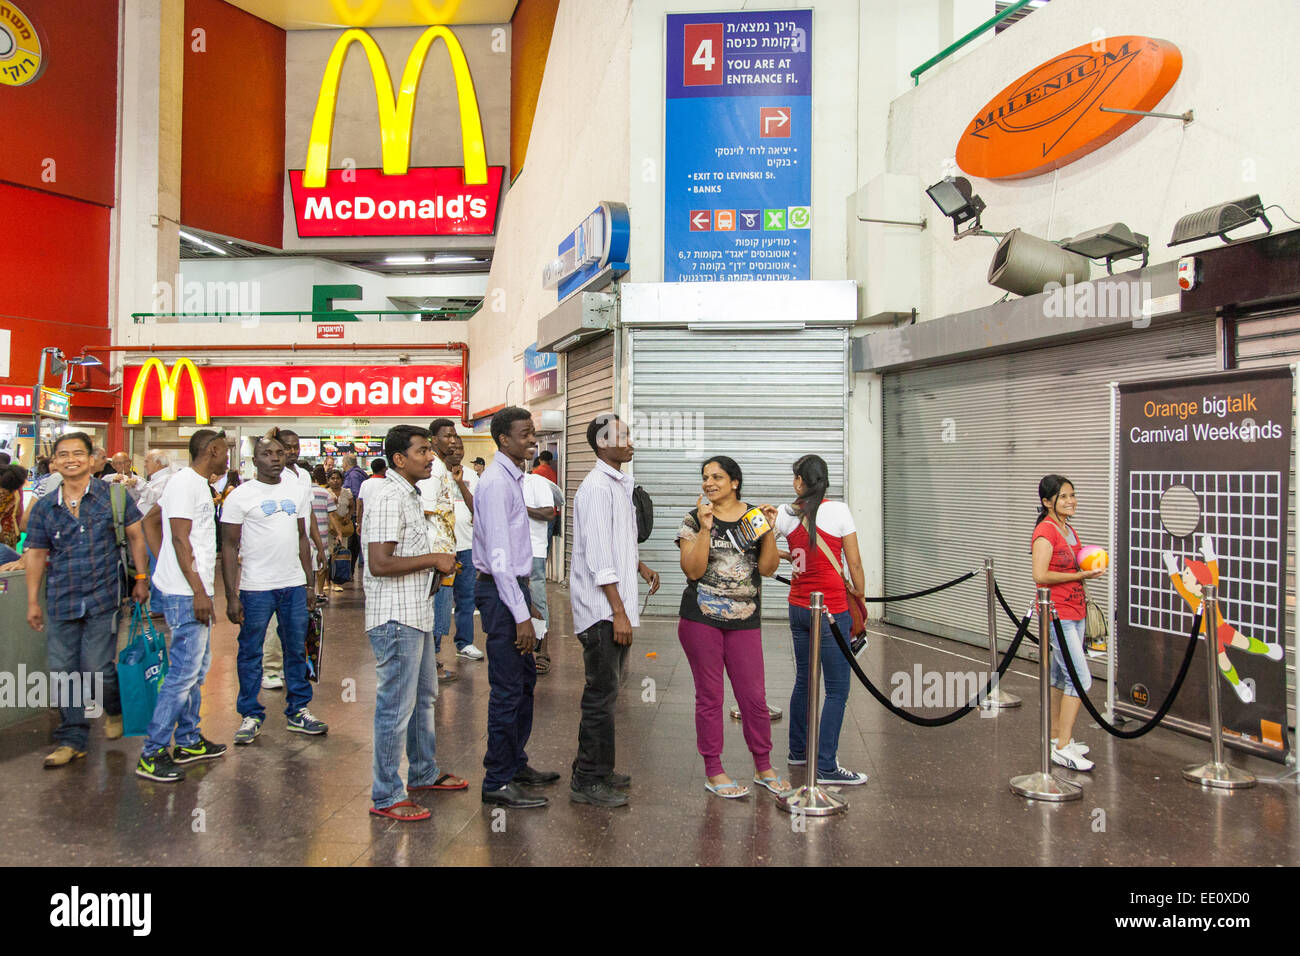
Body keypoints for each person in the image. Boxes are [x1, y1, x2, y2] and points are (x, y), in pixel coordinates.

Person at [23, 432, 151, 768]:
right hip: (61, 599)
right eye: (63, 454)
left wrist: (141, 578)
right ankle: (72, 737)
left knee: (97, 667)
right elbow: (35, 554)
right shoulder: (44, 508)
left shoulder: (114, 496)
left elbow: (137, 537)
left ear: (92, 459)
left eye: (77, 453)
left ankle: (114, 706)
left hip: (103, 596)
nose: (70, 459)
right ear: (54, 463)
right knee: (63, 670)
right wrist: (32, 601)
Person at [363, 425, 467, 821]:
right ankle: (387, 794)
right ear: (399, 459)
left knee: (424, 699)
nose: (431, 457)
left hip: (416, 614)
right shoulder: (389, 497)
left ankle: (422, 772)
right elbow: (379, 563)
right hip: (396, 618)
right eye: (423, 451)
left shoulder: (410, 493)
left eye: (430, 450)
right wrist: (434, 560)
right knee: (395, 707)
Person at [676, 456, 788, 799]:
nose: (709, 483)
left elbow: (768, 568)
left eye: (717, 477)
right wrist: (708, 528)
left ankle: (763, 766)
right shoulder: (695, 518)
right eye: (705, 477)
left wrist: (768, 531)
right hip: (701, 619)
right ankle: (714, 770)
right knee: (710, 696)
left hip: (744, 621)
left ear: (734, 482)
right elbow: (692, 571)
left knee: (754, 697)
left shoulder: (754, 518)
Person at [568, 414, 660, 807]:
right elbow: (599, 556)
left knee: (608, 694)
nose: (629, 441)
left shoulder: (618, 485)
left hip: (612, 606)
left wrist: (638, 565)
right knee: (600, 697)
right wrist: (619, 612)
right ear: (603, 443)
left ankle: (599, 770)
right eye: (621, 436)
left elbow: (617, 541)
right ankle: (586, 780)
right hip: (602, 611)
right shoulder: (596, 489)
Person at [763, 454, 868, 786]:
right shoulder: (839, 511)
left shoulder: (784, 514)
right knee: (837, 689)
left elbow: (767, 554)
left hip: (798, 607)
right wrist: (859, 595)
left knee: (805, 681)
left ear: (798, 481)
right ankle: (825, 765)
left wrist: (775, 539)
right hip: (832, 611)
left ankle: (798, 751)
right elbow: (855, 565)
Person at [474, 406, 558, 809]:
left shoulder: (514, 478)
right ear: (504, 439)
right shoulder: (495, 484)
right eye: (525, 434)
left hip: (513, 590)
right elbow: (499, 555)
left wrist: (527, 603)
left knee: (525, 683)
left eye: (532, 433)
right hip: (500, 592)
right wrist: (520, 613)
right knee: (507, 689)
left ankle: (515, 762)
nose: (532, 440)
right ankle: (497, 779)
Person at [135, 429, 230, 782]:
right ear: (213, 449)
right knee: (182, 674)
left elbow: (150, 520)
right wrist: (197, 591)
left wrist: (167, 566)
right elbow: (178, 536)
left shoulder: (194, 484)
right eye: (225, 451)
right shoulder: (185, 484)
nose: (227, 458)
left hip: (191, 588)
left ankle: (188, 739)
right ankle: (152, 752)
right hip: (186, 595)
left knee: (196, 669)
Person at [221, 436, 328, 746]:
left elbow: (301, 538)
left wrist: (309, 582)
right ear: (255, 461)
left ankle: (298, 710)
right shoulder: (240, 496)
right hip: (256, 587)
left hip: (293, 584)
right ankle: (250, 714)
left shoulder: (296, 490)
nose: (275, 458)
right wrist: (231, 594)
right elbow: (228, 546)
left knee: (296, 648)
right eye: (267, 454)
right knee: (250, 650)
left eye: (279, 453)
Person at [1031, 474, 1104, 772]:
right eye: (1063, 496)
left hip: (1076, 610)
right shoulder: (1045, 532)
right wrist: (1080, 576)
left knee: (1062, 677)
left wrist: (1087, 569)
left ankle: (1056, 739)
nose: (1070, 501)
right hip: (1057, 614)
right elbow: (1040, 576)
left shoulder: (1068, 529)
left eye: (1072, 495)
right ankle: (1063, 748)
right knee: (1080, 678)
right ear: (1047, 502)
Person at [417, 418, 463, 681]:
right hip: (436, 558)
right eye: (447, 436)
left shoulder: (444, 470)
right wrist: (434, 557)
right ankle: (430, 665)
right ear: (433, 439)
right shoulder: (433, 471)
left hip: (445, 555)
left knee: (442, 612)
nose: (453, 440)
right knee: (436, 612)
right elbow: (425, 513)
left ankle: (431, 662)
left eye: (455, 436)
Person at [445, 435, 483, 661]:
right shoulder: (433, 473)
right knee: (438, 599)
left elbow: (477, 507)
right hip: (440, 548)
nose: (457, 451)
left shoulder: (471, 477)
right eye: (452, 448)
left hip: (466, 545)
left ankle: (465, 643)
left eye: (460, 448)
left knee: (466, 597)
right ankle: (434, 647)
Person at [523, 459, 561, 674]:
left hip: (533, 550)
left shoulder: (536, 482)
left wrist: (523, 507)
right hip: (509, 552)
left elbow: (549, 513)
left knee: (537, 598)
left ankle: (542, 650)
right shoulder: (501, 482)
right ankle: (523, 648)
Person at [310, 464, 337, 601]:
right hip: (322, 532)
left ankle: (308, 591)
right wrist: (338, 532)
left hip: (305, 533)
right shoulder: (326, 493)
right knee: (321, 564)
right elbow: (332, 515)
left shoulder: (302, 492)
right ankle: (320, 591)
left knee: (307, 564)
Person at [327, 468, 353, 592]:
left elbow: (352, 506)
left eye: (338, 478)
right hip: (329, 527)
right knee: (328, 554)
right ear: (328, 480)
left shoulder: (347, 492)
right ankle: (326, 581)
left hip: (343, 526)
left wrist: (348, 516)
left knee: (340, 554)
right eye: (333, 478)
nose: (335, 481)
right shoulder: (326, 493)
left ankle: (336, 581)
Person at [341, 452, 367, 574]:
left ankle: (348, 572)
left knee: (353, 545)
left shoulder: (352, 476)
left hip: (355, 516)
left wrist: (355, 516)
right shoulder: (360, 474)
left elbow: (356, 496)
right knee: (357, 544)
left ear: (346, 464)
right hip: (359, 515)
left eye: (342, 463)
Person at [135, 449, 175, 517]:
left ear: (158, 463)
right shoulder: (159, 478)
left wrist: (137, 482)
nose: (145, 465)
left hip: (152, 524)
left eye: (147, 462)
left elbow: (153, 498)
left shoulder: (166, 479)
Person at [0, 463, 27, 550]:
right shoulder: (15, 492)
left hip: (3, 535)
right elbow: (19, 512)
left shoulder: (3, 494)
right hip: (11, 532)